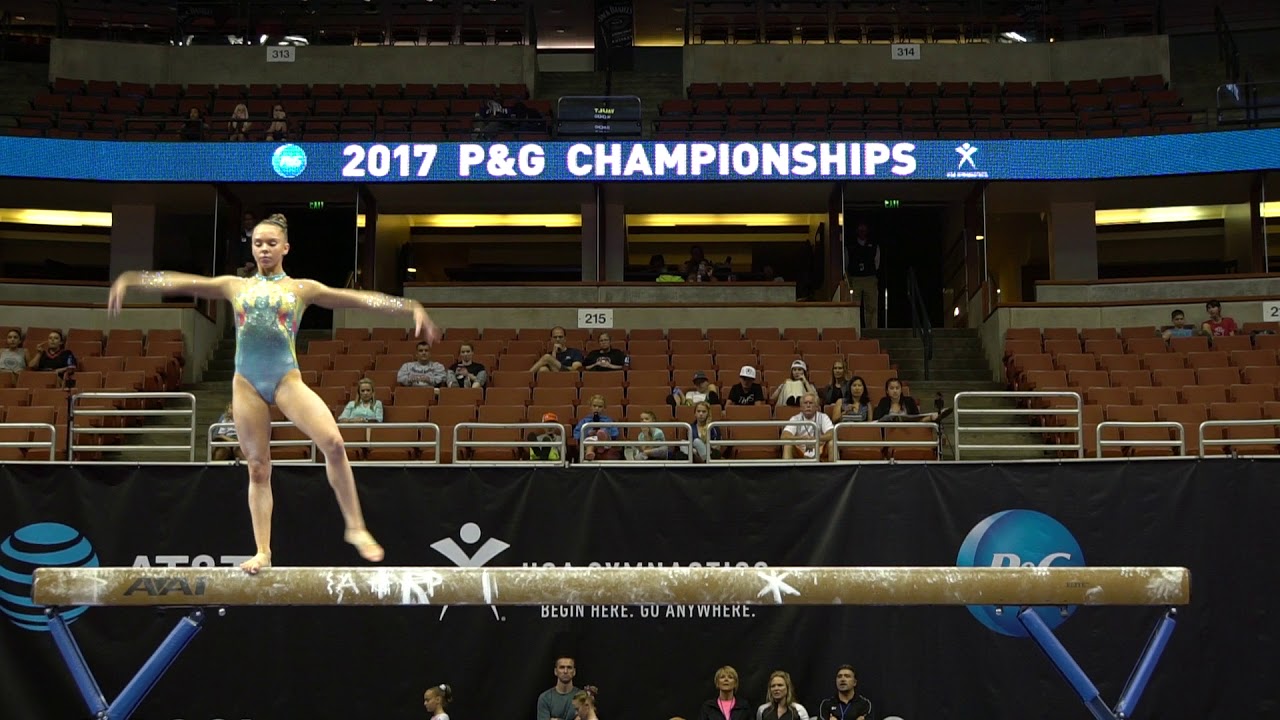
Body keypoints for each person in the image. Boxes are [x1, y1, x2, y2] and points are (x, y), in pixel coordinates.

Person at [107, 213, 437, 574]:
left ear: (285, 248)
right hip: (246, 383)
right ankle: (263, 551)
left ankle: (356, 527)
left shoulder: (301, 289)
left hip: (285, 380)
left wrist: (408, 306)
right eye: (258, 243)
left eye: (271, 243)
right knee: (258, 468)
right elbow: (184, 282)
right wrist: (133, 279)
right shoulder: (235, 286)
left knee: (334, 443)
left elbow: (355, 299)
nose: (264, 249)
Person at [846, 221, 880, 330]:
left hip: (870, 278)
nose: (862, 232)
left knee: (871, 307)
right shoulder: (850, 246)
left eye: (864, 230)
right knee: (854, 306)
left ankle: (872, 330)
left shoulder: (874, 246)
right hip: (855, 279)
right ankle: (854, 329)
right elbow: (846, 263)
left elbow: (877, 263)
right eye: (860, 230)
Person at [781, 392, 834, 460]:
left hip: (819, 448)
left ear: (816, 407)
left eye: (811, 403)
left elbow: (831, 434)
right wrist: (801, 438)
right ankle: (787, 470)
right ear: (801, 407)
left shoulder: (823, 417)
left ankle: (834, 470)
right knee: (787, 445)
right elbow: (784, 436)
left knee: (832, 443)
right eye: (805, 403)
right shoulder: (795, 418)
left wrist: (816, 438)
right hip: (800, 449)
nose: (808, 405)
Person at [873, 378, 938, 422]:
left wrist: (930, 418)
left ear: (901, 390)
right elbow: (877, 421)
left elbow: (917, 419)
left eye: (897, 388)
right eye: (892, 388)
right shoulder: (883, 401)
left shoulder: (909, 401)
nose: (895, 391)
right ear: (887, 391)